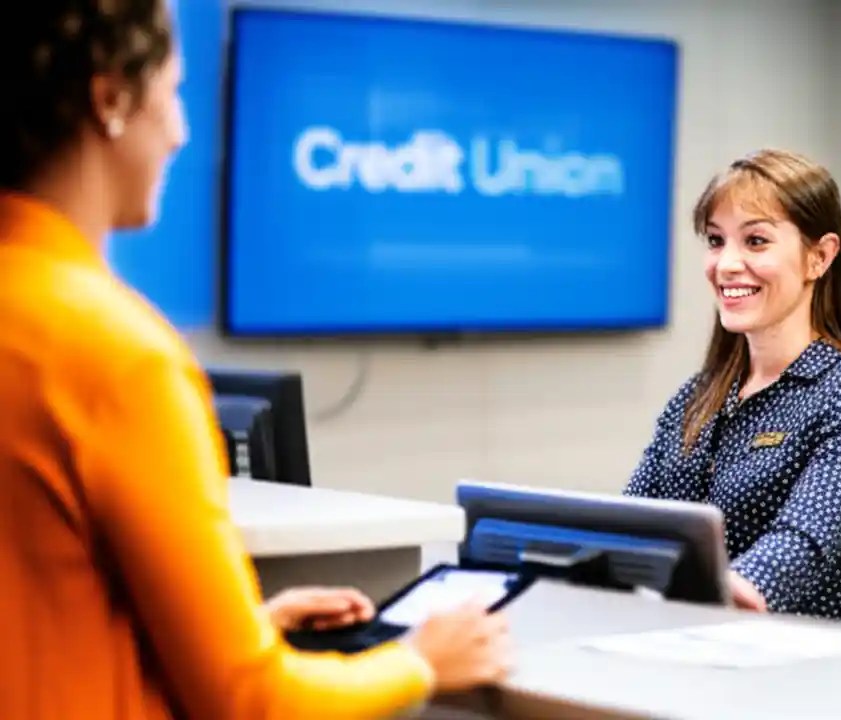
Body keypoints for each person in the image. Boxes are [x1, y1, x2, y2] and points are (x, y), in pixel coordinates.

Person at [0, 3, 508, 719]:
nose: (180, 133)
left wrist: (233, 630)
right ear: (109, 99)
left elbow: (42, 615)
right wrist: (421, 662)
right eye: (172, 93)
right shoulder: (113, 354)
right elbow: (250, 703)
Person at [624, 149, 841, 625]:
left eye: (756, 241)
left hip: (810, 666)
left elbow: (795, 550)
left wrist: (677, 589)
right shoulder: (696, 399)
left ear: (819, 257)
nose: (726, 264)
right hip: (687, 650)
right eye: (716, 241)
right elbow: (627, 530)